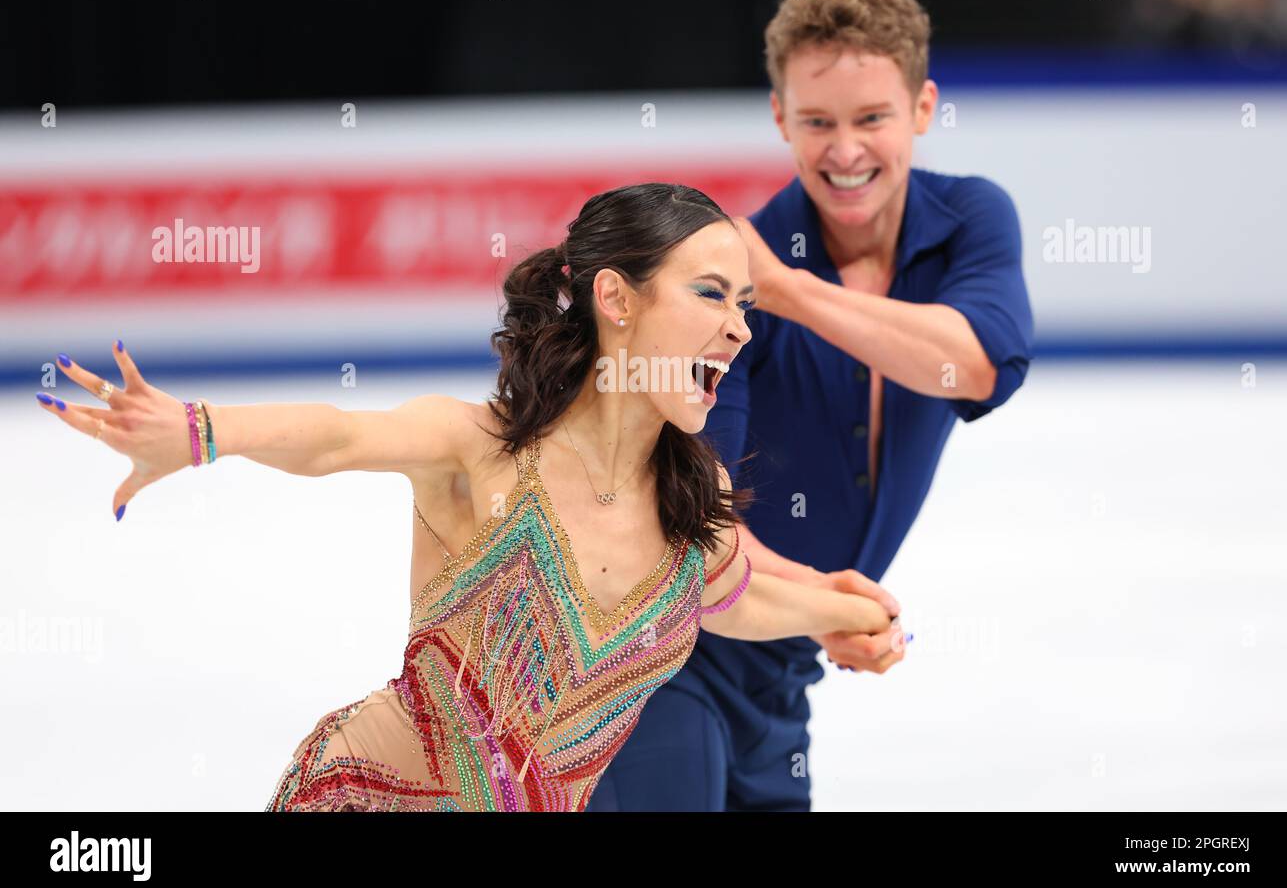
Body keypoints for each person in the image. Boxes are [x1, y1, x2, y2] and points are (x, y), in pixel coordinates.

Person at [34, 182, 897, 812]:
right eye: (710, 294)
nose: (740, 326)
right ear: (616, 299)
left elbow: (731, 594)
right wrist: (198, 430)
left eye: (745, 303)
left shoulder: (688, 492)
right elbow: (338, 436)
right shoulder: (482, 450)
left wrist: (830, 611)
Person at [586, 0, 1034, 812]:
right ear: (780, 118)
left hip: (779, 681)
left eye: (872, 117)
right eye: (817, 121)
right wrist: (819, 607)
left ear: (924, 109)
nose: (845, 150)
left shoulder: (972, 220)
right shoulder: (718, 285)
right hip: (657, 666)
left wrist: (786, 288)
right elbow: (697, 516)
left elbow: (975, 366)